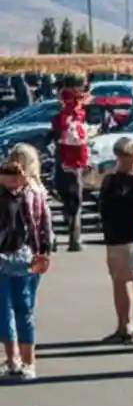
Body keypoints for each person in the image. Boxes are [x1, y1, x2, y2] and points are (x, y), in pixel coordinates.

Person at [0, 153, 53, 381]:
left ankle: (22, 360)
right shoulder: (34, 191)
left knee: (16, 309)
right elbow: (43, 224)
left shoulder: (27, 194)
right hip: (16, 256)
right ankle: (19, 360)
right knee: (14, 310)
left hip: (19, 256)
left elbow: (40, 225)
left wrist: (43, 252)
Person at [97, 138, 133, 344]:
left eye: (132, 154)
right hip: (114, 238)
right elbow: (104, 208)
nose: (128, 158)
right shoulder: (111, 180)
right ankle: (123, 326)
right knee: (119, 282)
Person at [51, 82, 89, 251]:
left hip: (63, 162)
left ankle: (72, 235)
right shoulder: (74, 117)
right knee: (75, 201)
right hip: (73, 163)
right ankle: (75, 239)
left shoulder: (61, 118)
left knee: (69, 199)